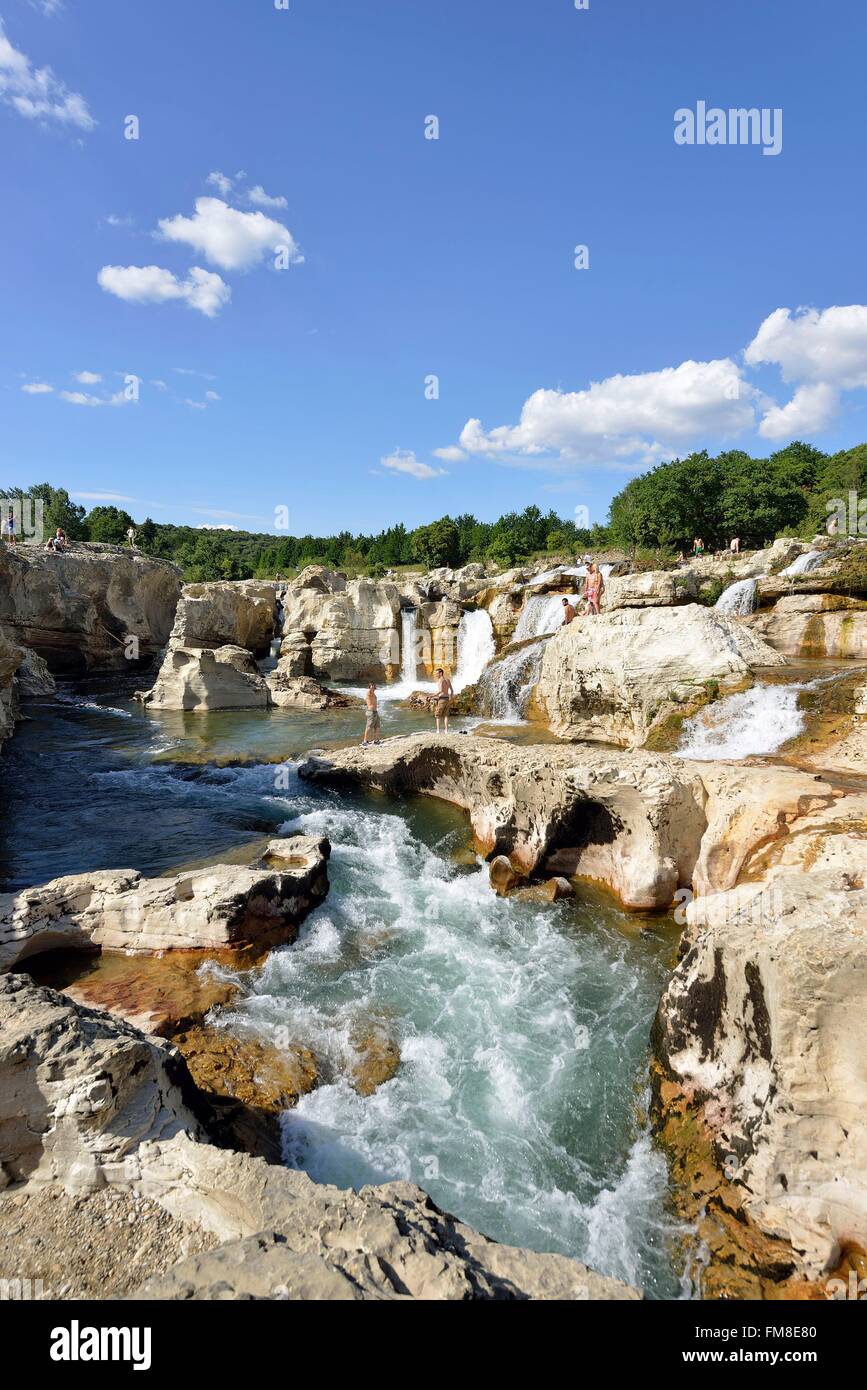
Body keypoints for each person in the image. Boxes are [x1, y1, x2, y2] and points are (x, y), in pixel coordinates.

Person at [433, 667, 454, 733]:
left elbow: (440, 691)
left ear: (441, 673)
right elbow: (452, 690)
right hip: (447, 699)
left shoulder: (440, 680)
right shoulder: (448, 680)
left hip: (441, 700)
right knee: (446, 715)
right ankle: (446, 731)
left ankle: (438, 730)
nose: (436, 675)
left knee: (438, 715)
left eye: (437, 673)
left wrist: (432, 696)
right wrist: (451, 697)